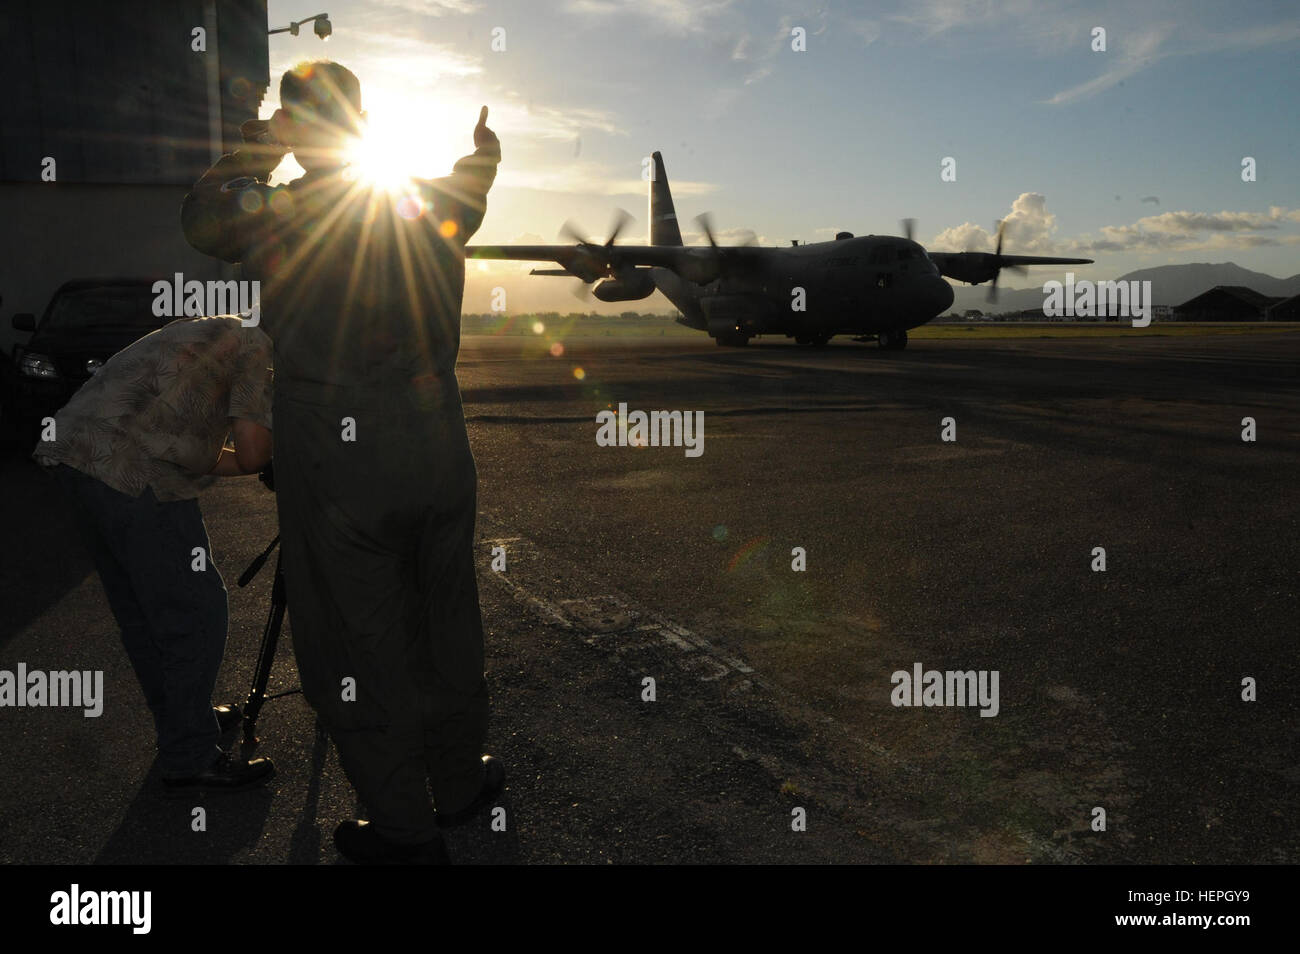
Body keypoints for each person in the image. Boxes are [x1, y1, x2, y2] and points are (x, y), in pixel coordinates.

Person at [181, 60, 503, 864]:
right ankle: (460, 786)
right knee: (445, 621)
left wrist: (257, 148)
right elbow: (477, 176)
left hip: (338, 442)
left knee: (357, 642)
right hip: (438, 441)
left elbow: (203, 223)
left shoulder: (282, 210)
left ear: (296, 128)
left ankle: (404, 829)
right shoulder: (433, 199)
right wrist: (485, 152)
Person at [33, 315, 276, 794]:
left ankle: (185, 723)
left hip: (77, 456)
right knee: (196, 611)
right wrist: (276, 453)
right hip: (134, 472)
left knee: (143, 610)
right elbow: (250, 453)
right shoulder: (256, 346)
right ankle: (189, 754)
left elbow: (204, 453)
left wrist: (255, 459)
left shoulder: (211, 331)